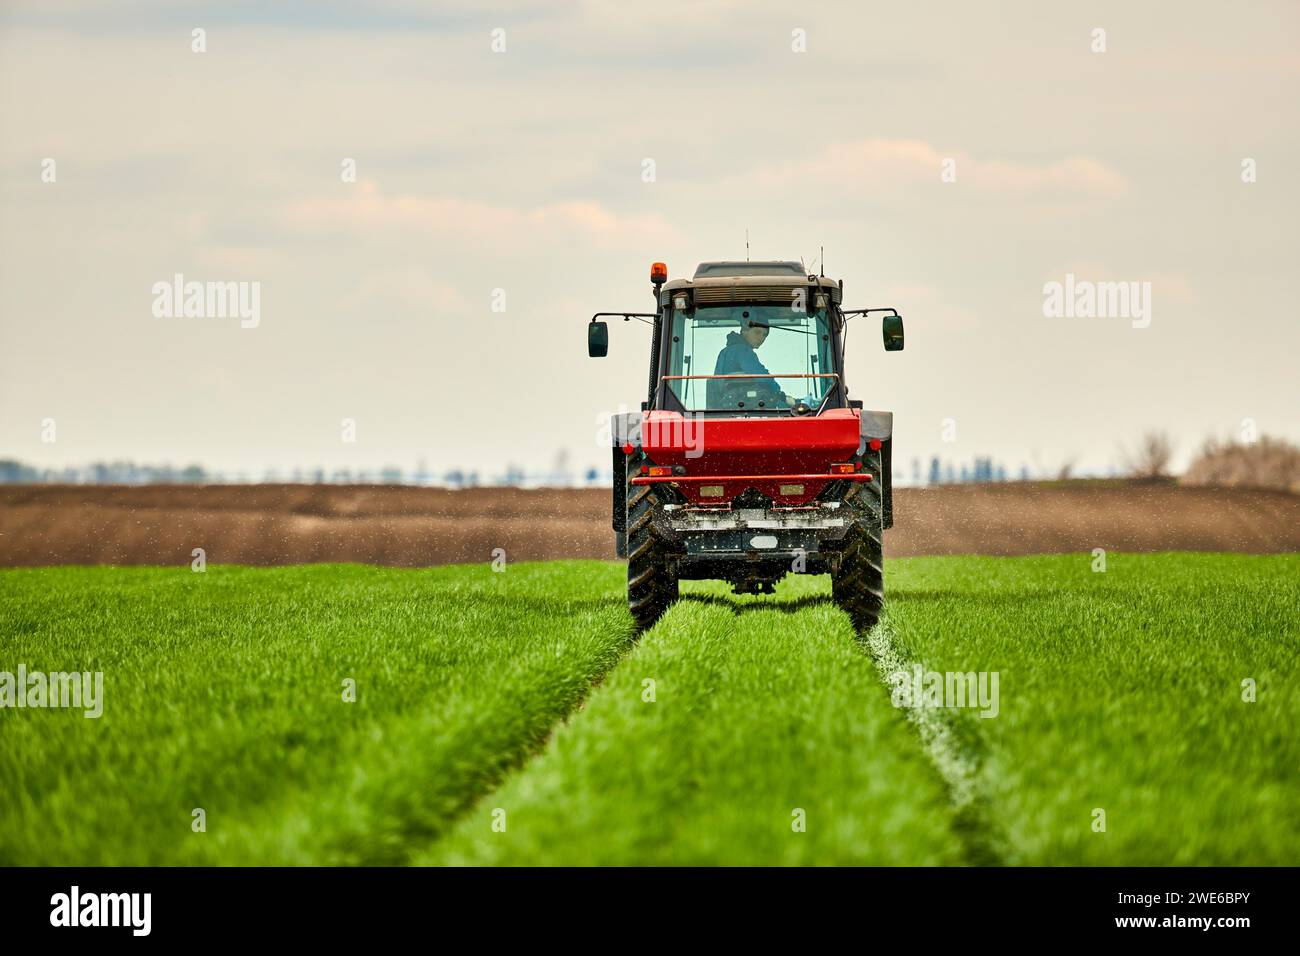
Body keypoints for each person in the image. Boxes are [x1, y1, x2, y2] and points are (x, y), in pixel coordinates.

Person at [709, 321, 791, 408]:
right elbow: (762, 377)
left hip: (726, 404)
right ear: (744, 331)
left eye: (765, 335)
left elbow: (717, 384)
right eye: (757, 332)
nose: (761, 338)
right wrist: (780, 394)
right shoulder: (742, 350)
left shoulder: (725, 352)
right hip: (741, 403)